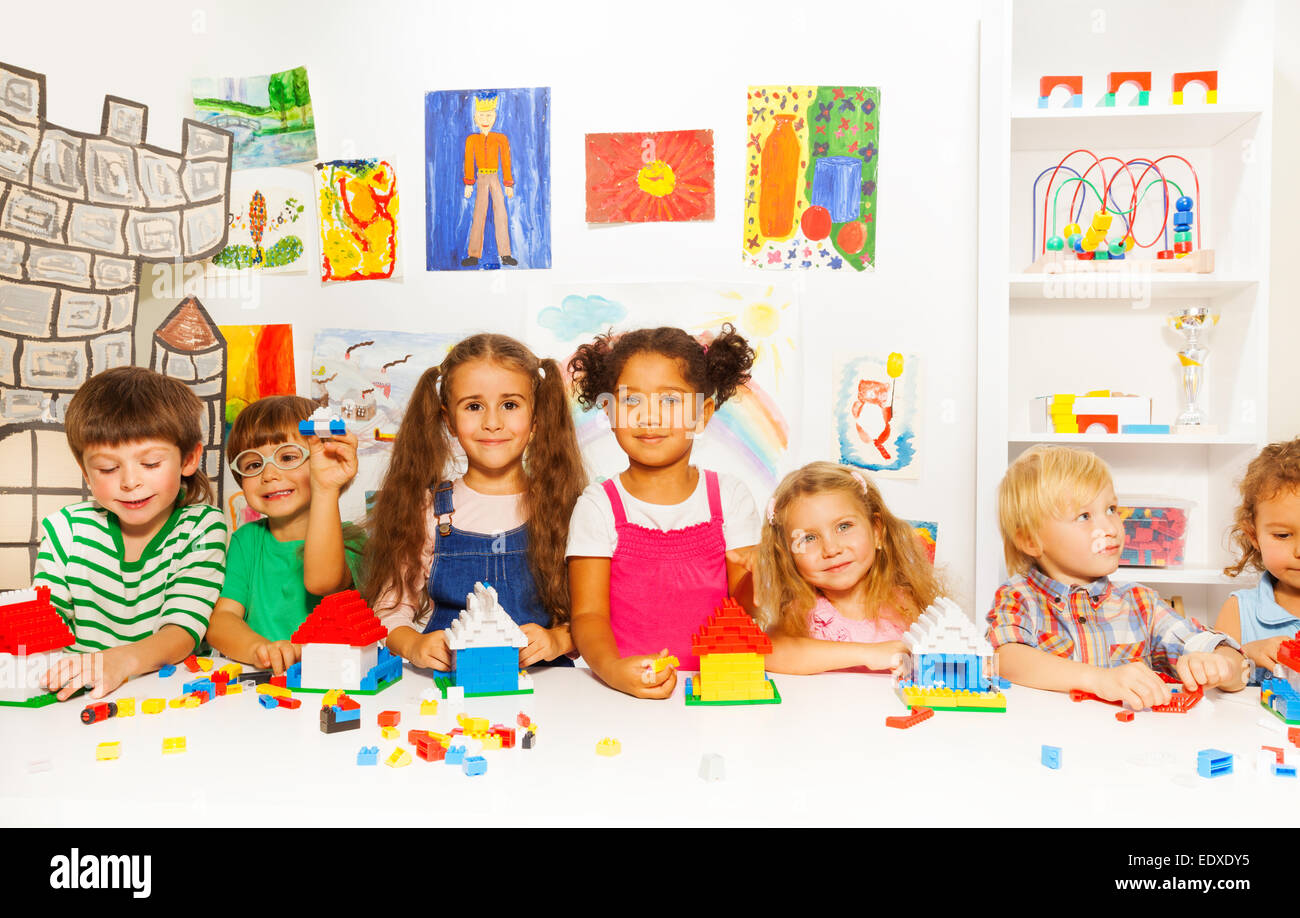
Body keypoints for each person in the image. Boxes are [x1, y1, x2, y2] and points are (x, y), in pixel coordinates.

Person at [366, 334, 584, 671]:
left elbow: (593, 614)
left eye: (510, 405)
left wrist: (560, 638)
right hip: (449, 689)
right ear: (449, 420)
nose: (492, 422)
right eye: (473, 406)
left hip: (546, 690)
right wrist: (414, 644)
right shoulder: (430, 510)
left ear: (537, 417)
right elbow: (389, 611)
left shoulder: (566, 507)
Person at [566, 324, 761, 698]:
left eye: (670, 401)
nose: (649, 417)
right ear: (608, 412)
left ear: (702, 414)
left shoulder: (730, 497)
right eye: (631, 400)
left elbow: (744, 608)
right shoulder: (597, 506)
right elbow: (588, 616)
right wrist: (614, 671)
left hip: (717, 688)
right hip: (623, 690)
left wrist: (762, 573)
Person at [987, 444, 1246, 709]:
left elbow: (1218, 653)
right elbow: (1005, 658)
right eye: (1084, 516)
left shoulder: (1140, 603)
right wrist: (1099, 680)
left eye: (1111, 509)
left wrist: (1221, 664)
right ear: (1031, 540)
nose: (1110, 527)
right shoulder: (1019, 597)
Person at [35, 367, 228, 700]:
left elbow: (183, 630)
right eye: (108, 469)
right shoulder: (64, 529)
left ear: (189, 458)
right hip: (79, 696)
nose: (129, 482)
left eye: (150, 463)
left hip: (170, 696)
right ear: (85, 472)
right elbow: (44, 628)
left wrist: (118, 662)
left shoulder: (202, 527)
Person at [205, 396, 363, 673]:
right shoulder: (247, 540)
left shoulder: (352, 539)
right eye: (253, 465)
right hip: (262, 684)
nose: (269, 474)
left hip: (332, 683)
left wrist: (325, 488)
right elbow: (222, 620)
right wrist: (259, 650)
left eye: (288, 457)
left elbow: (322, 583)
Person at [755, 461, 941, 674]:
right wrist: (868, 653)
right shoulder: (805, 611)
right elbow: (768, 651)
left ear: (877, 531)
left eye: (844, 527)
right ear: (788, 554)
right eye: (809, 538)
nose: (831, 549)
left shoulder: (906, 604)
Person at [1216, 439, 1300, 678]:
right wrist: (1246, 654)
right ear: (1254, 535)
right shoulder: (1239, 610)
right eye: (1282, 535)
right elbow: (1217, 678)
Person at [461, 92, 517, 267]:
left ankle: (505, 254)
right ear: (475, 117)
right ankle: (474, 254)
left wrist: (508, 183)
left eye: (489, 115)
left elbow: (506, 161)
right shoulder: (471, 140)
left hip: (495, 178)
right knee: (479, 214)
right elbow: (469, 162)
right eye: (481, 115)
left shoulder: (500, 138)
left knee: (501, 213)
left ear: (495, 117)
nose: (485, 119)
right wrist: (469, 183)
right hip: (481, 179)